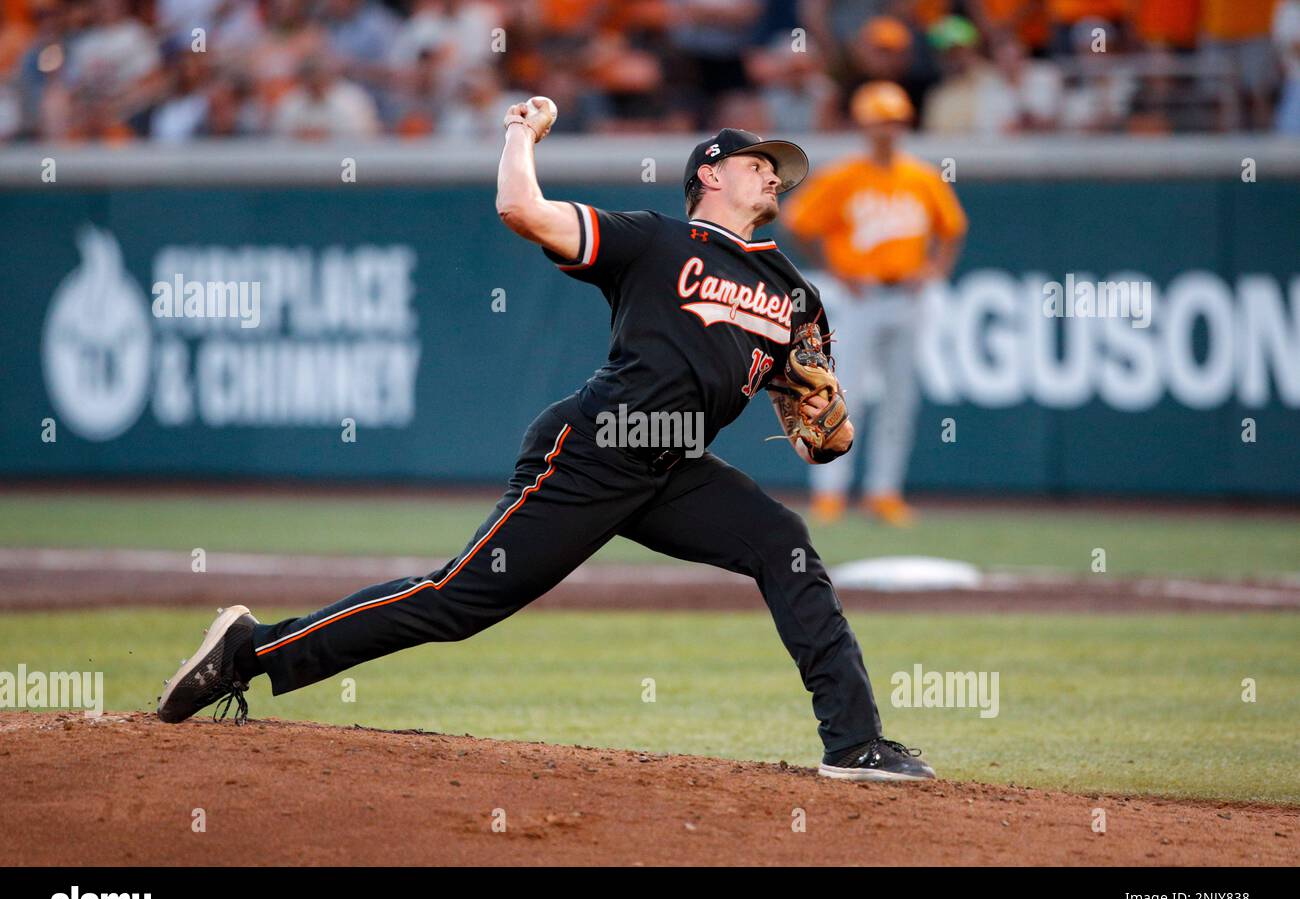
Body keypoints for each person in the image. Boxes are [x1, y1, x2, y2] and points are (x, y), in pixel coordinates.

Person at [156, 106, 937, 783]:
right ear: (710, 173)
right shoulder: (655, 241)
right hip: (596, 445)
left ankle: (855, 744)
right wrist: (521, 133)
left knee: (784, 543)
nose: (774, 177)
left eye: (779, 170)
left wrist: (825, 430)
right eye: (758, 163)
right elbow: (521, 209)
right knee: (460, 601)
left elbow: (815, 423)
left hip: (674, 464)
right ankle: (251, 650)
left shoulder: (795, 293)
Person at [784, 80, 966, 527]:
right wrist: (834, 268)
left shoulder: (921, 176)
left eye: (894, 121)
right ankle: (831, 492)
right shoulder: (844, 175)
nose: (887, 130)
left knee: (900, 399)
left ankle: (884, 492)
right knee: (839, 394)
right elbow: (799, 223)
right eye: (880, 121)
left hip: (906, 294)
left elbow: (952, 227)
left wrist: (936, 269)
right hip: (859, 294)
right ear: (864, 125)